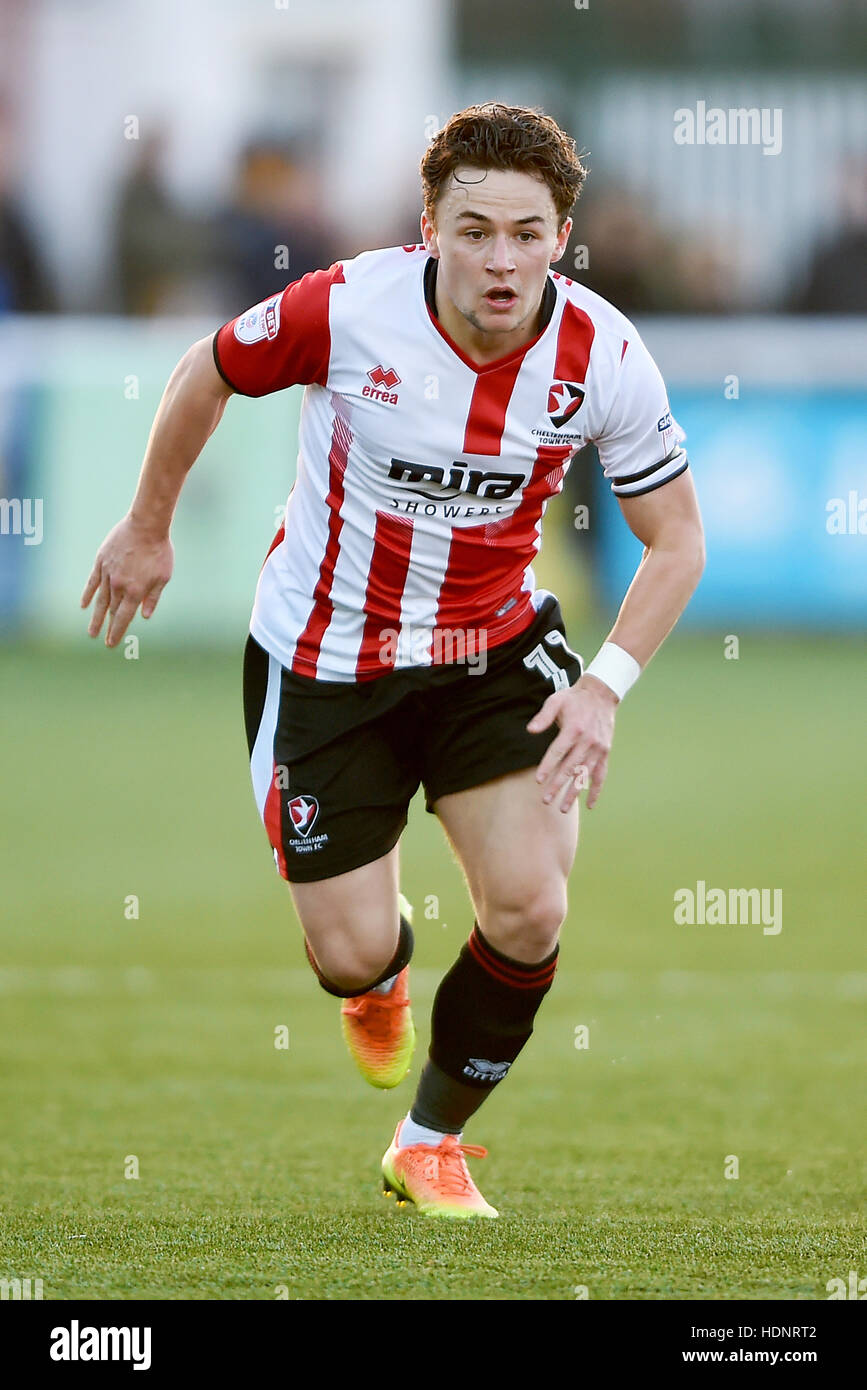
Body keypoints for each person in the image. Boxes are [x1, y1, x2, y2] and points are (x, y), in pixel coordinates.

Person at [81, 103, 705, 1220]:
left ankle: (429, 1142)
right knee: (348, 951)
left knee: (529, 908)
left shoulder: (604, 353)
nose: (500, 259)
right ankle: (373, 984)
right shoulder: (348, 309)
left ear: (562, 232)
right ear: (431, 227)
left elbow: (677, 542)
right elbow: (207, 369)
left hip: (492, 653)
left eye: (526, 231)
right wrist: (145, 527)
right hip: (326, 660)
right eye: (474, 230)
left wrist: (605, 685)